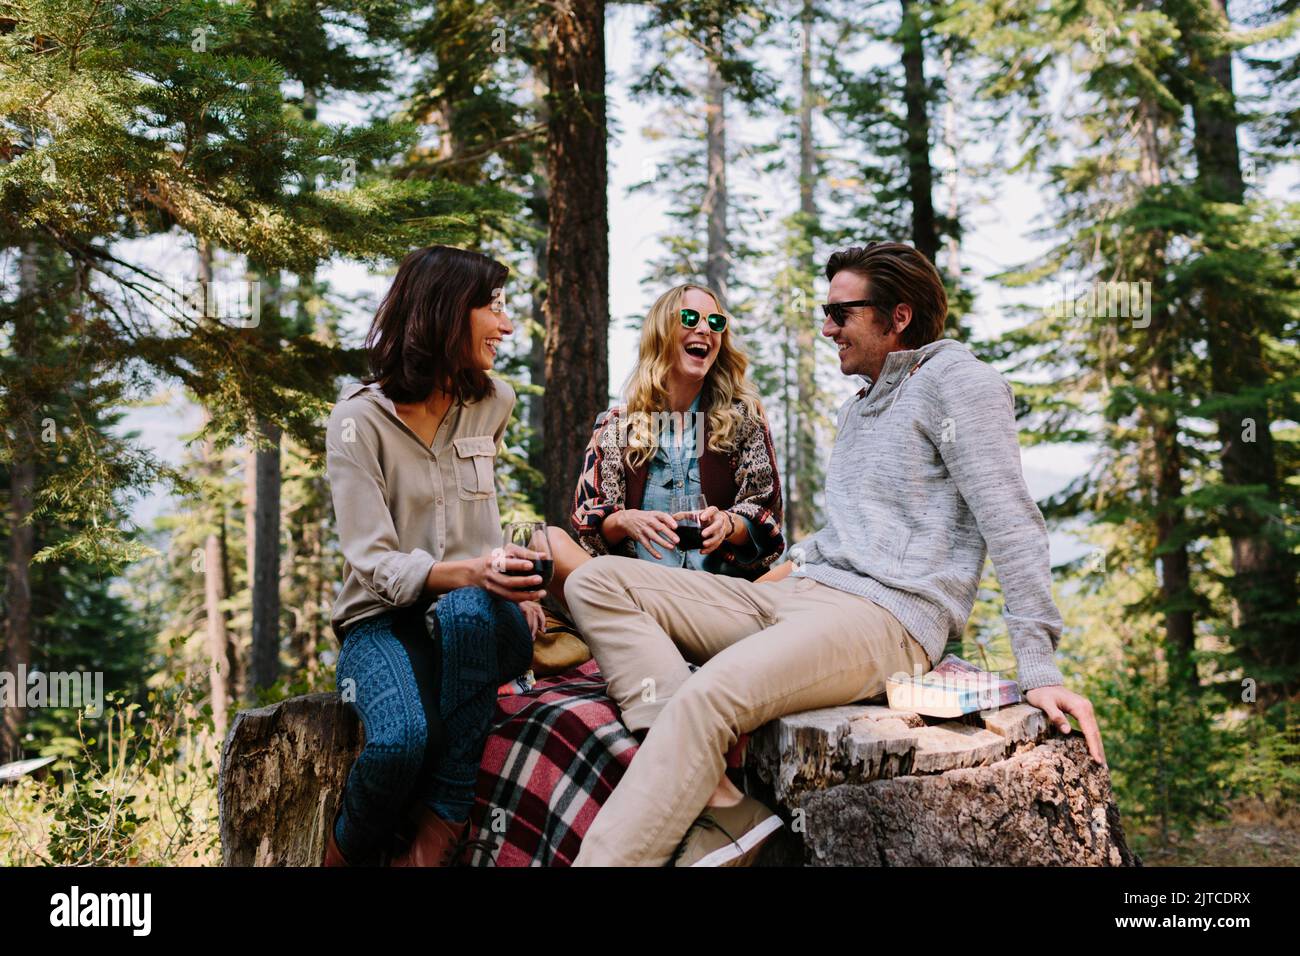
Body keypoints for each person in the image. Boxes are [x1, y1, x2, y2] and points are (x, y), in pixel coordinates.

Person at [563, 241, 1108, 867]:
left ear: (897, 317)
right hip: (801, 594)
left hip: (885, 619)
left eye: (840, 313)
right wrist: (768, 583)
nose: (827, 328)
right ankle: (711, 794)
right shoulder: (860, 408)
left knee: (708, 696)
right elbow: (837, 536)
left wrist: (1039, 668)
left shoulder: (960, 384)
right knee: (599, 582)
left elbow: (1012, 522)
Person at [323, 244, 553, 867]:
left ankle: (437, 834)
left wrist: (506, 571)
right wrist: (470, 571)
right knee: (399, 744)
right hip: (380, 621)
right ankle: (343, 855)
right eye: (494, 308)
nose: (507, 326)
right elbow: (371, 560)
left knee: (467, 613)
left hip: (481, 617)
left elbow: (481, 515)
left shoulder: (494, 401)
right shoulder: (356, 421)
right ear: (447, 312)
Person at [571, 282, 784, 578]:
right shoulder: (617, 425)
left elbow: (768, 517)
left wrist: (728, 524)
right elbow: (588, 520)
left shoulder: (743, 419)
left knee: (800, 565)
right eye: (689, 318)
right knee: (554, 542)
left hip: (720, 590)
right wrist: (625, 520)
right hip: (642, 587)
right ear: (661, 331)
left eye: (715, 322)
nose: (704, 329)